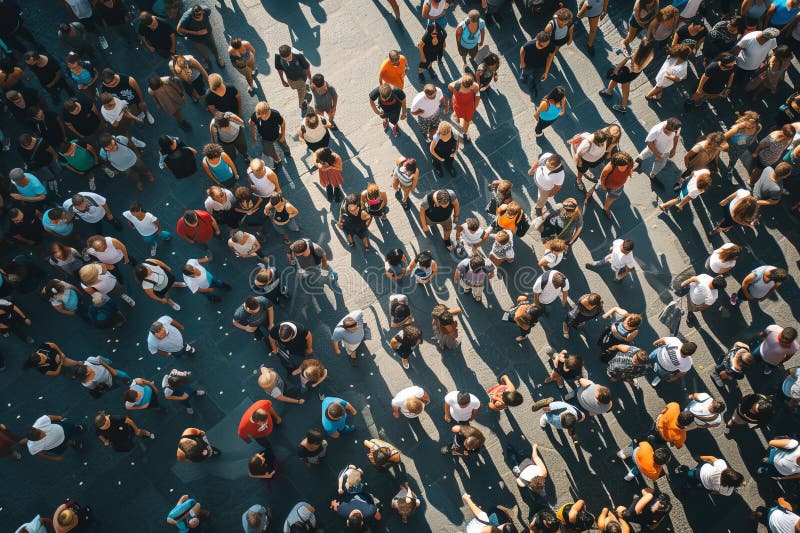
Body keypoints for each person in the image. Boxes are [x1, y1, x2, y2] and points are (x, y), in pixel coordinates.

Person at [633, 117, 681, 183]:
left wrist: (673, 149)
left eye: (668, 132)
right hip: (654, 146)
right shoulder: (656, 130)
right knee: (645, 153)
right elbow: (649, 142)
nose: (666, 132)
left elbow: (676, 137)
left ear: (674, 130)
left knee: (661, 164)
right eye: (665, 130)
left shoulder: (677, 128)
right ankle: (636, 163)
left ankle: (652, 175)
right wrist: (658, 155)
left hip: (666, 151)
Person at [176, 4, 224, 69]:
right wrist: (196, 33)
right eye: (196, 18)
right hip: (196, 38)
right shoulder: (186, 17)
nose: (199, 19)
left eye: (200, 17)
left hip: (208, 34)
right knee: (203, 52)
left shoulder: (206, 10)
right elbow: (179, 29)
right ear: (192, 16)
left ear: (203, 12)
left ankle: (218, 57)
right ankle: (208, 61)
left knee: (213, 47)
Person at [249, 101, 290, 171]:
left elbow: (283, 124)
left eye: (262, 115)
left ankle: (287, 151)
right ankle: (278, 161)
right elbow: (250, 122)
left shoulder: (275, 114)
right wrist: (253, 135)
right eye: (259, 114)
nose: (260, 116)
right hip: (265, 138)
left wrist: (283, 136)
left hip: (276, 135)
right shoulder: (257, 115)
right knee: (270, 151)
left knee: (283, 143)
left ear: (267, 111)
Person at [274, 45, 311, 112]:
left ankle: (301, 105)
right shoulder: (278, 56)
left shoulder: (298, 55)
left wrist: (310, 79)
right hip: (290, 79)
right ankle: (306, 88)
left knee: (301, 92)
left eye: (289, 57)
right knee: (295, 87)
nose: (289, 59)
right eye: (286, 59)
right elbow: (279, 69)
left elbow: (307, 67)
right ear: (281, 56)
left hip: (301, 78)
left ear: (291, 51)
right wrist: (283, 80)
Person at [448, 74, 480, 142]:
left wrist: (454, 94)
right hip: (467, 106)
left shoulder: (456, 85)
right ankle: (465, 132)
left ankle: (463, 131)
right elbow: (477, 97)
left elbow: (450, 87)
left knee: (463, 118)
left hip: (461, 105)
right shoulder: (475, 86)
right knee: (466, 120)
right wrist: (474, 107)